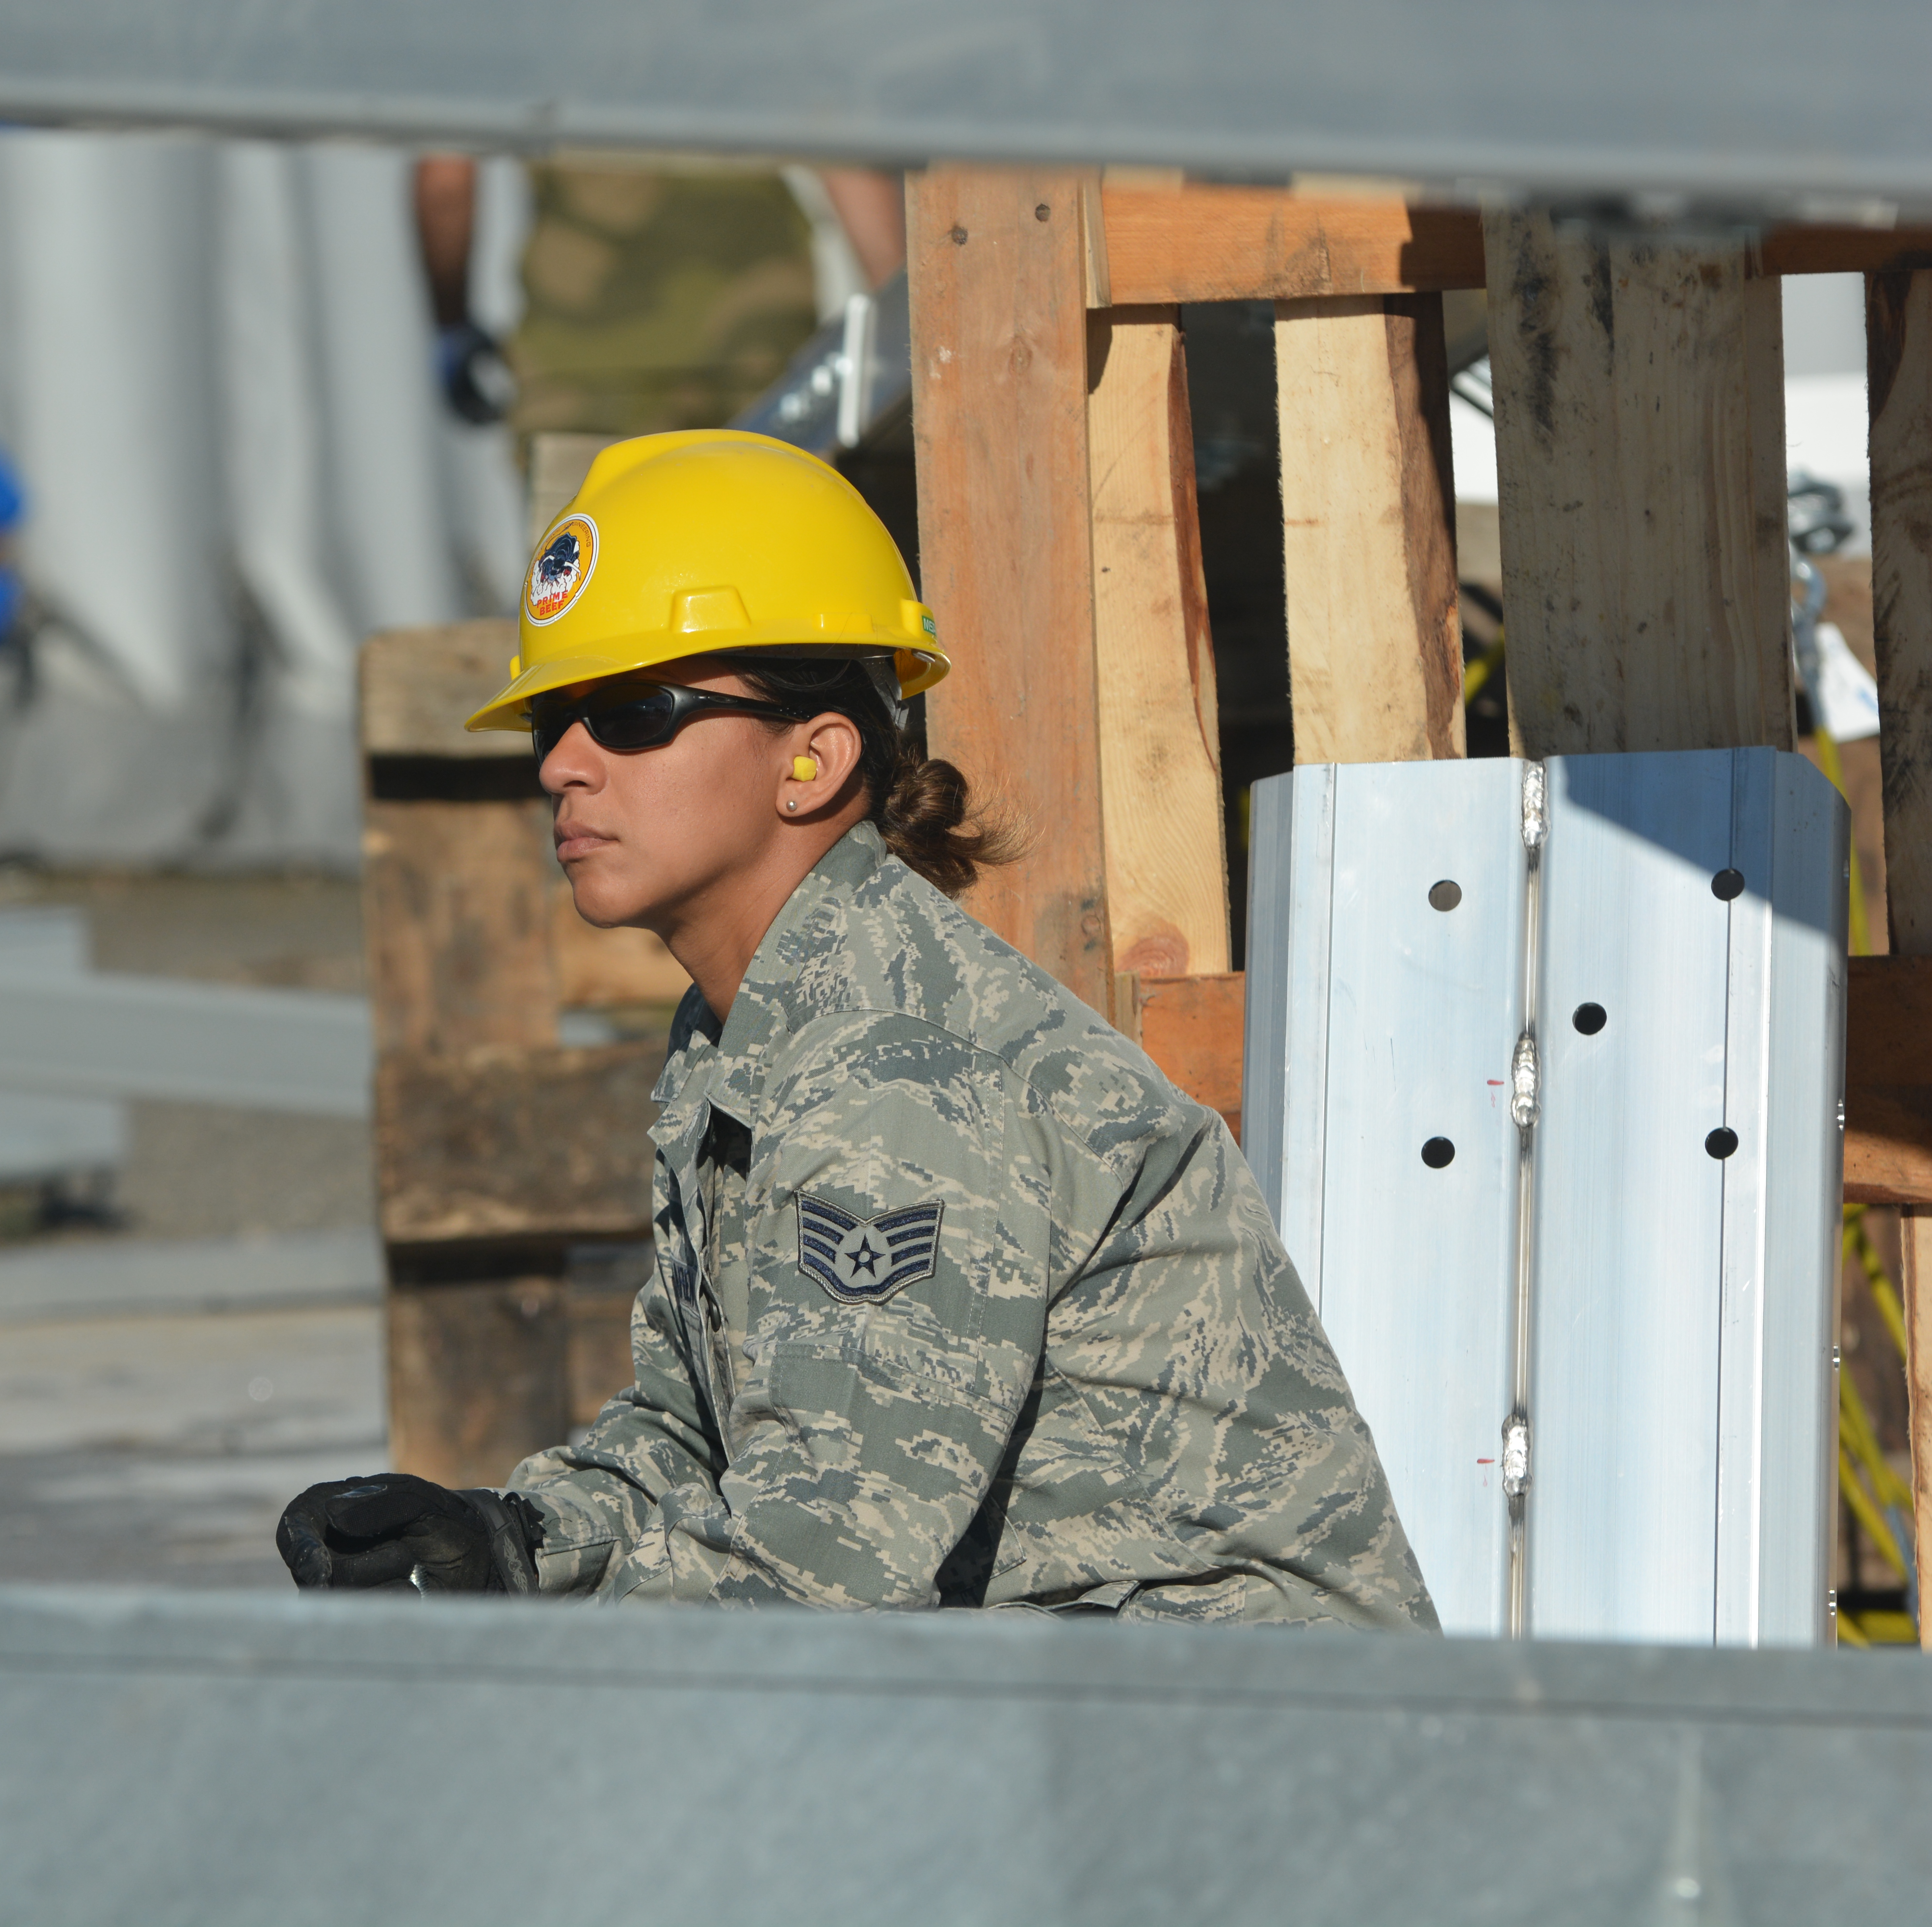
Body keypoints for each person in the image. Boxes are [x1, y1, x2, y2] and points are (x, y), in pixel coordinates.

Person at [278, 430, 1438, 1629]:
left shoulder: (893, 1071)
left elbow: (820, 1572)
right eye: (551, 724)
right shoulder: (752, 1030)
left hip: (1234, 1716)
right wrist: (507, 1543)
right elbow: (699, 1436)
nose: (563, 766)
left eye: (630, 712)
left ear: (815, 759)